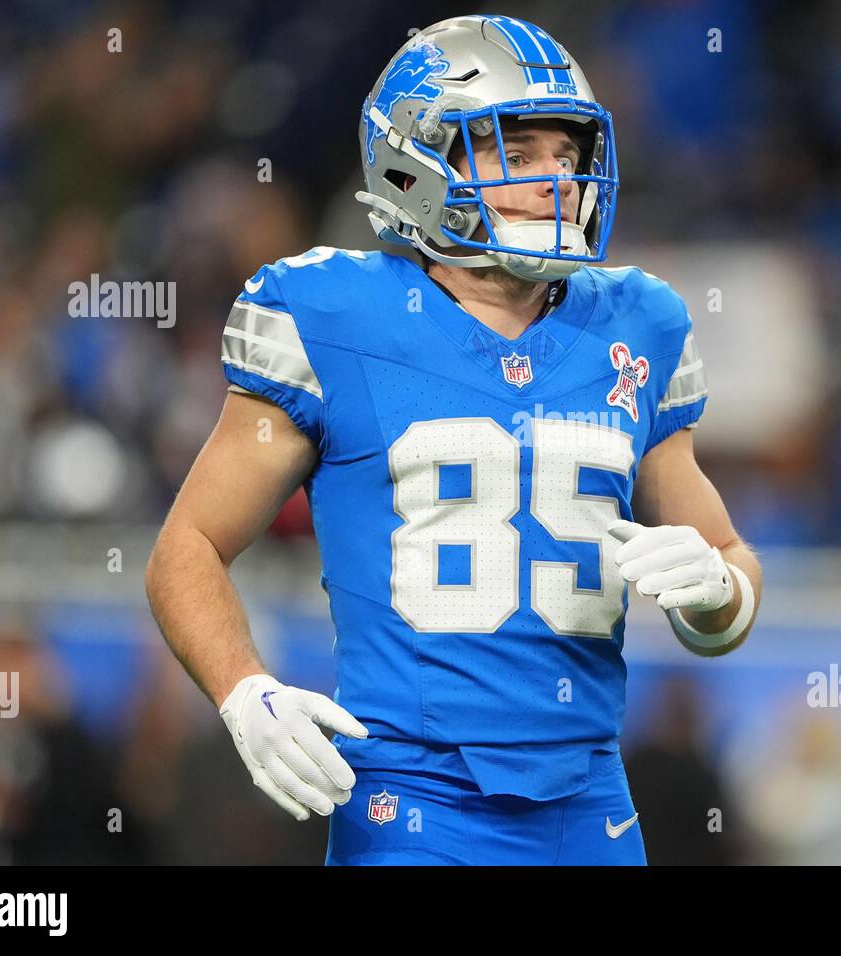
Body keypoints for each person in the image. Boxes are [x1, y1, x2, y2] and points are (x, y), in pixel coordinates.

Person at [145, 14, 761, 865]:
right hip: (412, 802)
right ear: (417, 162)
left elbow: (729, 559)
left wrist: (716, 589)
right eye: (518, 149)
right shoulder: (331, 316)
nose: (554, 177)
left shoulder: (638, 323)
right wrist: (244, 689)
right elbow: (187, 546)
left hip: (590, 804)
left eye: (566, 152)